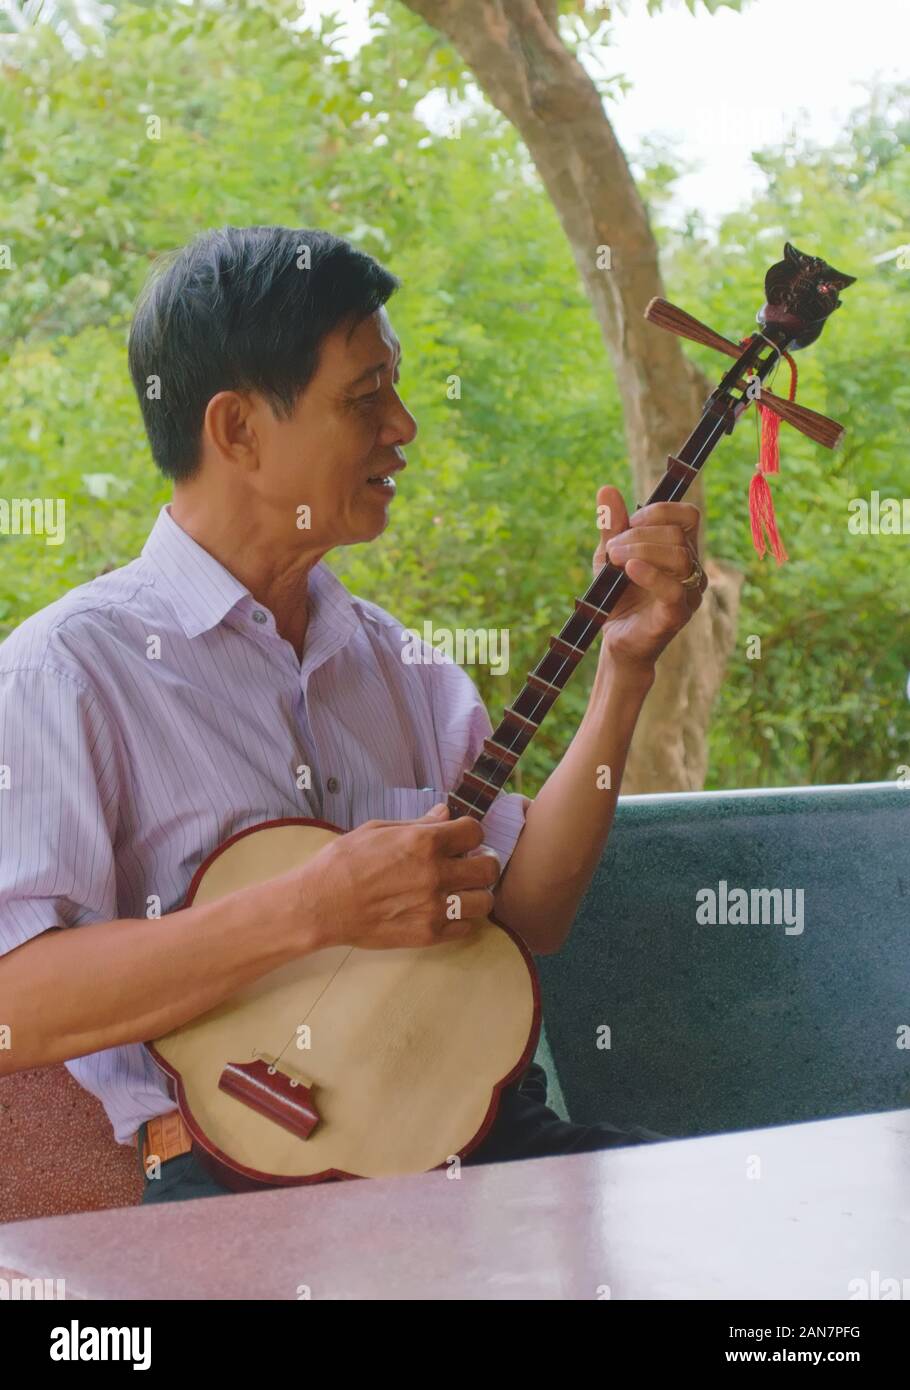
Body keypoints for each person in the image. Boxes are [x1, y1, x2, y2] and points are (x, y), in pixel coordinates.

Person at [0, 226, 707, 1204]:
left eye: (399, 387)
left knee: (739, 1217)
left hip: (487, 1146)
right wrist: (311, 908)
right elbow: (13, 1007)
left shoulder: (394, 661)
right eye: (365, 396)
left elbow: (530, 912)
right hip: (240, 1181)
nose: (405, 425)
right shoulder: (67, 671)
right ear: (239, 430)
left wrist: (625, 672)